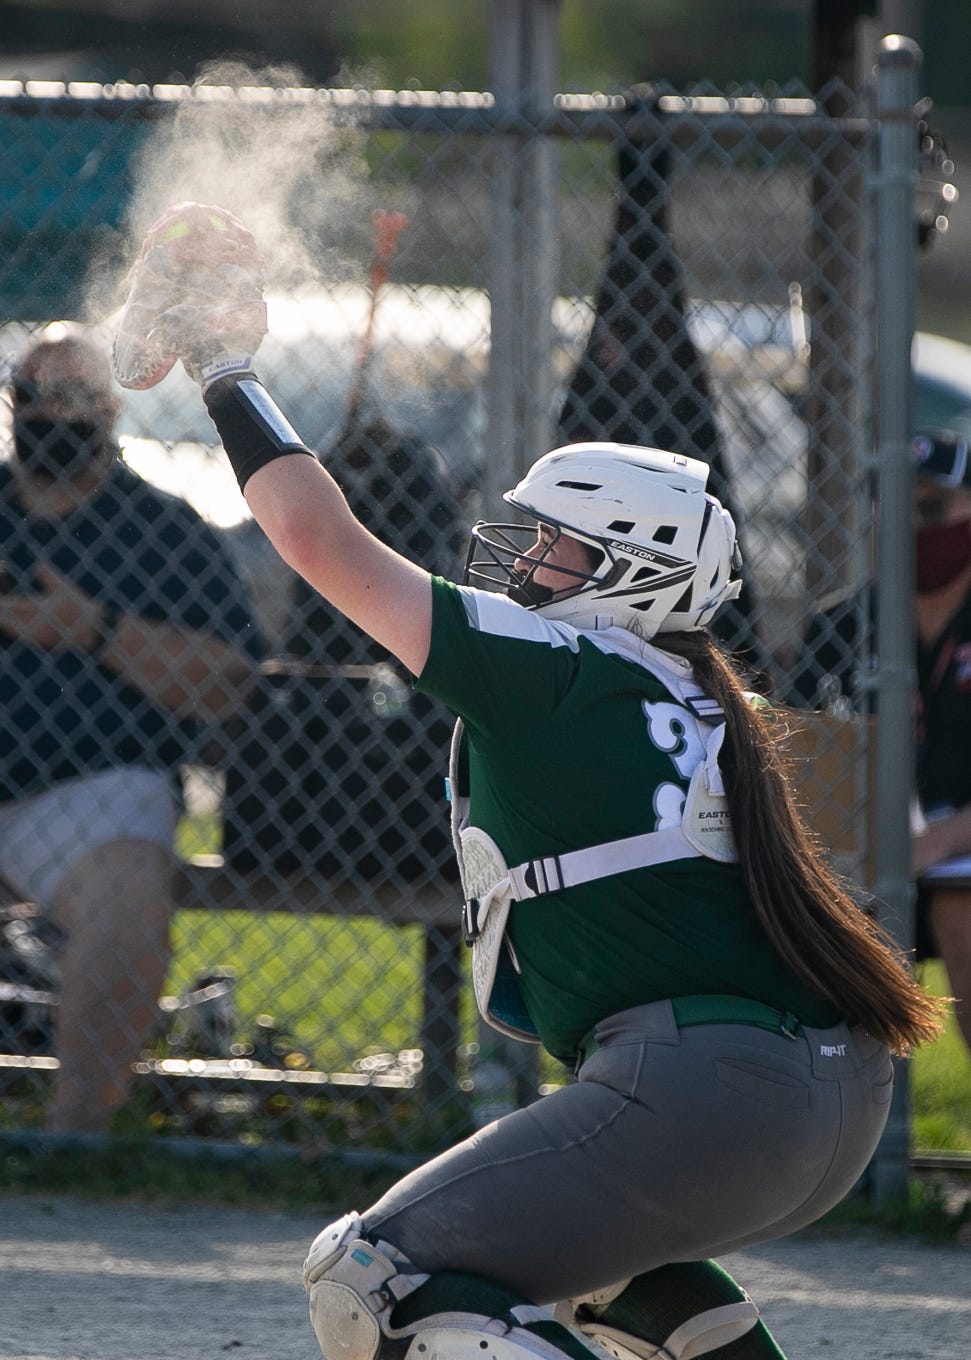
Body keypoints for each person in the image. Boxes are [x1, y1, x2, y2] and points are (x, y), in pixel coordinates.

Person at [116, 202, 943, 1360]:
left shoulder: (560, 667)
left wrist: (224, 366)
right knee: (587, 1264)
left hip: (703, 1090)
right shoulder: (702, 693)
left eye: (556, 546)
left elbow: (314, 537)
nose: (523, 560)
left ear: (635, 572)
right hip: (821, 1097)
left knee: (370, 1276)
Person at [0, 322, 261, 1133]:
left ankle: (76, 1139)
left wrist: (93, 630)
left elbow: (230, 685)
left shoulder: (161, 528)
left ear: (110, 411)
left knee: (128, 890)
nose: (52, 414)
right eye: (34, 395)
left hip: (89, 789)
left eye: (74, 396)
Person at [790, 429, 971, 1057]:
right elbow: (801, 758)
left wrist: (931, 844)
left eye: (932, 507)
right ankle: (848, 1100)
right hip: (867, 847)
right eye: (894, 512)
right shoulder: (842, 624)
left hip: (953, 848)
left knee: (960, 900)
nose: (914, 528)